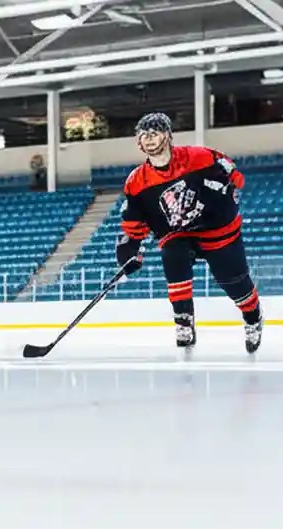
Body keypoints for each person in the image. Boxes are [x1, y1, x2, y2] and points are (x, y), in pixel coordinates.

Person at [115, 112, 263, 353]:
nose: (149, 139)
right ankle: (184, 321)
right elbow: (134, 220)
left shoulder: (199, 157)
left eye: (154, 133)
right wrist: (131, 248)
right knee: (172, 256)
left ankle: (253, 318)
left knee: (234, 283)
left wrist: (226, 186)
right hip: (178, 232)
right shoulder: (136, 181)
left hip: (218, 228)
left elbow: (233, 174)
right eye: (143, 135)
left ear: (168, 136)